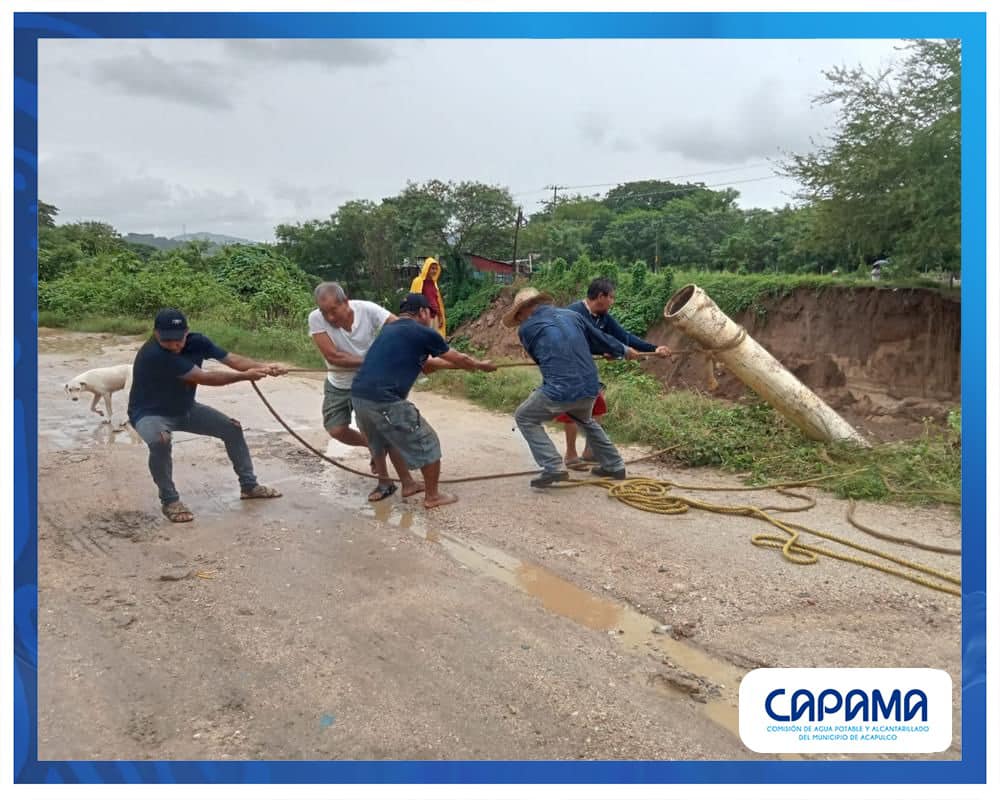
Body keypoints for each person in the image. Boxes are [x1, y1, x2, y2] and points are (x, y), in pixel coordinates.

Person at [127, 308, 287, 524]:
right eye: (167, 340)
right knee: (160, 440)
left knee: (232, 428)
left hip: (184, 409)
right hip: (149, 413)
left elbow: (232, 359)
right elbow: (204, 378)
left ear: (187, 331)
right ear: (156, 333)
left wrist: (265, 367)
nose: (175, 345)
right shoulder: (154, 354)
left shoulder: (198, 342)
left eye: (179, 339)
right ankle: (170, 500)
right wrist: (244, 376)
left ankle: (249, 486)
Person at [350, 293, 495, 509]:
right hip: (385, 400)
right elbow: (458, 358)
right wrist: (479, 365)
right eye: (431, 314)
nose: (431, 318)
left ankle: (406, 484)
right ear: (423, 312)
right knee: (428, 442)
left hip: (359, 397)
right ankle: (432, 496)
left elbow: (428, 365)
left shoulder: (390, 330)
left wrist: (466, 365)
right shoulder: (423, 332)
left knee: (382, 442)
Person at [503, 287, 638, 488]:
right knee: (585, 420)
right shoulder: (572, 315)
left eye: (519, 316)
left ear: (524, 310)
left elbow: (540, 359)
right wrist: (623, 350)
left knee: (524, 416)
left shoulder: (526, 328)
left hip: (561, 388)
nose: (520, 320)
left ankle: (553, 466)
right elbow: (599, 338)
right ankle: (615, 465)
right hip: (591, 386)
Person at [307, 281, 424, 502]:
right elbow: (334, 357)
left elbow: (400, 328)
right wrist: (376, 360)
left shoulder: (368, 310)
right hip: (338, 383)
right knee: (336, 429)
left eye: (333, 310)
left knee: (380, 432)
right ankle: (373, 448)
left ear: (345, 301)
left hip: (369, 383)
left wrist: (419, 344)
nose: (330, 317)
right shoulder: (316, 318)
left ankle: (395, 483)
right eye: (324, 312)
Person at [558, 278, 672, 469]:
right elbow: (583, 341)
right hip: (566, 367)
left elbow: (624, 336)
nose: (612, 301)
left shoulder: (603, 316)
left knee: (597, 406)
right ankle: (571, 455)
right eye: (611, 297)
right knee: (573, 409)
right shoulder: (573, 314)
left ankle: (590, 451)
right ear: (600, 296)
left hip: (585, 367)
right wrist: (611, 350)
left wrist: (654, 348)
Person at [409, 257, 447, 337]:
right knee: (424, 338)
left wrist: (440, 316)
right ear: (427, 268)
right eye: (432, 268)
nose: (434, 271)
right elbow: (413, 300)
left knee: (435, 339)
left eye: (436, 269)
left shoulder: (434, 283)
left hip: (435, 316)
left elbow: (437, 300)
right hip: (424, 316)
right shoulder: (418, 281)